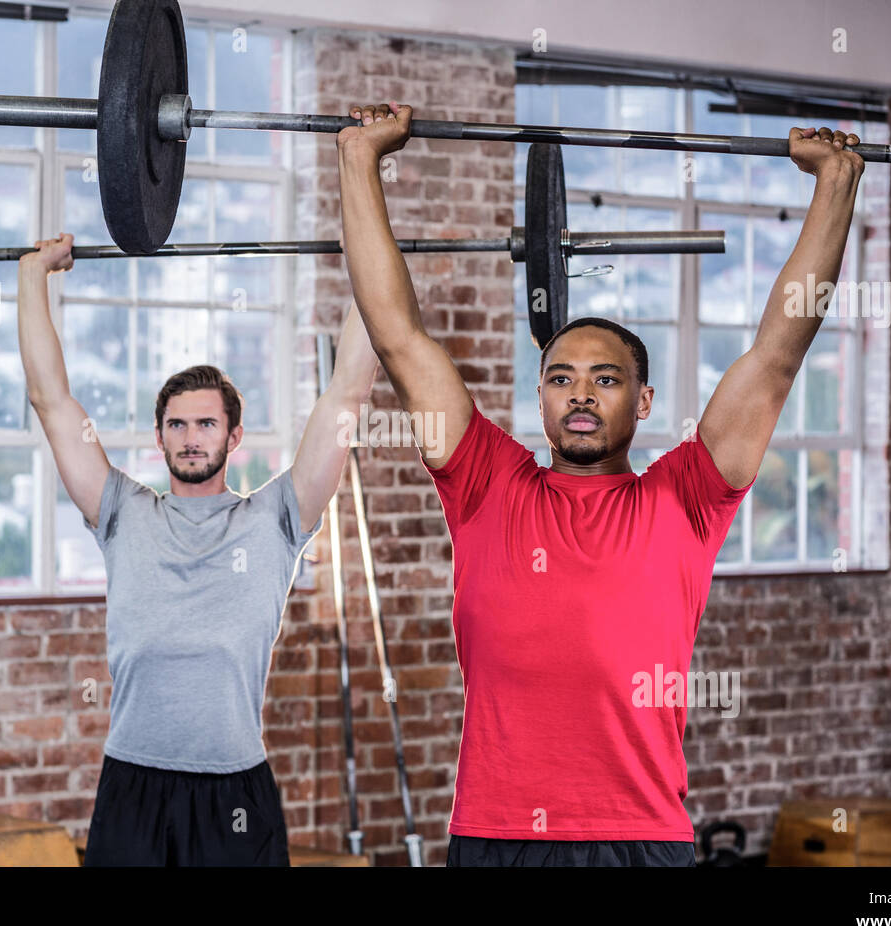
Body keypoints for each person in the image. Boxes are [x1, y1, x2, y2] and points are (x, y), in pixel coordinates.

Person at [337, 101, 864, 867]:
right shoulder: (485, 481)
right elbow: (398, 336)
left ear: (642, 401)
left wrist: (835, 183)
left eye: (605, 379)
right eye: (561, 379)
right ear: (541, 397)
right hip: (498, 834)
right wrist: (360, 157)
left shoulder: (685, 497)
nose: (580, 394)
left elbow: (777, 352)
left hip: (640, 837)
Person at [16, 233, 379, 866]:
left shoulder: (276, 519)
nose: (190, 438)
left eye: (205, 423)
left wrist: (372, 254)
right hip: (132, 783)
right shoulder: (121, 511)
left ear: (233, 435)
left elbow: (345, 394)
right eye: (177, 425)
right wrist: (32, 275)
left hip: (234, 791)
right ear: (159, 436)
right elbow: (51, 401)